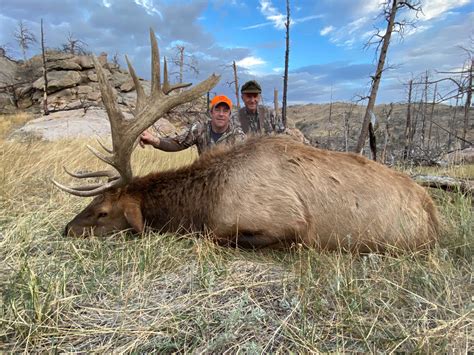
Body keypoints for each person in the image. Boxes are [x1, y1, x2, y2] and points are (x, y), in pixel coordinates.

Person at [139, 95, 245, 155]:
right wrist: (154, 140)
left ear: (229, 115)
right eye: (217, 110)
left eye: (225, 111)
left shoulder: (238, 136)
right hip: (205, 181)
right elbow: (177, 144)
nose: (221, 114)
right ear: (211, 112)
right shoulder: (199, 129)